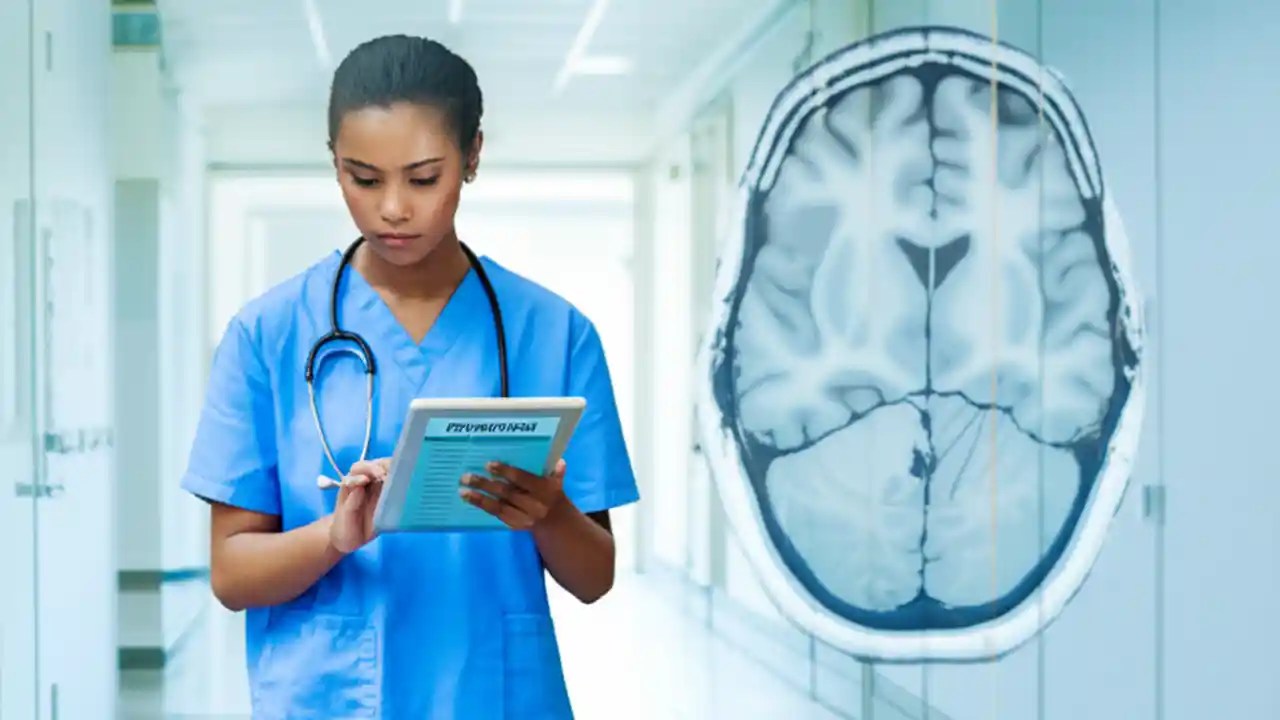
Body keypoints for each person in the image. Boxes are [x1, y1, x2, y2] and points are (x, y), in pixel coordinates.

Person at [180, 34, 639, 719]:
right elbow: (232, 574)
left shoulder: (555, 331)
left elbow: (595, 577)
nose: (393, 207)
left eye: (423, 177)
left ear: (473, 156)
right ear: (334, 163)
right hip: (328, 697)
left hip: (496, 692)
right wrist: (333, 538)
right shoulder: (267, 334)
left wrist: (550, 514)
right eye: (362, 178)